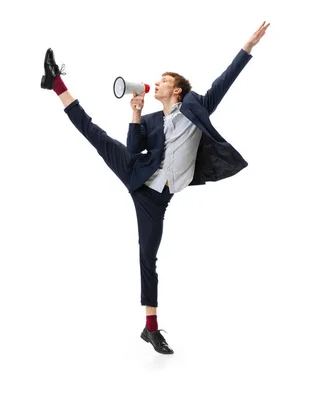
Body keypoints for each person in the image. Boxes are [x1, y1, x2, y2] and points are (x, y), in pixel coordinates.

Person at [41, 21, 269, 354]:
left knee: (148, 256)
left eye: (164, 80)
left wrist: (247, 47)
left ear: (177, 90)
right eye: (159, 80)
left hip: (155, 199)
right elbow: (133, 151)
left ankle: (150, 329)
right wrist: (134, 114)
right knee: (95, 134)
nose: (157, 82)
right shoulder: (150, 120)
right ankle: (56, 82)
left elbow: (225, 80)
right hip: (136, 172)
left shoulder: (196, 107)